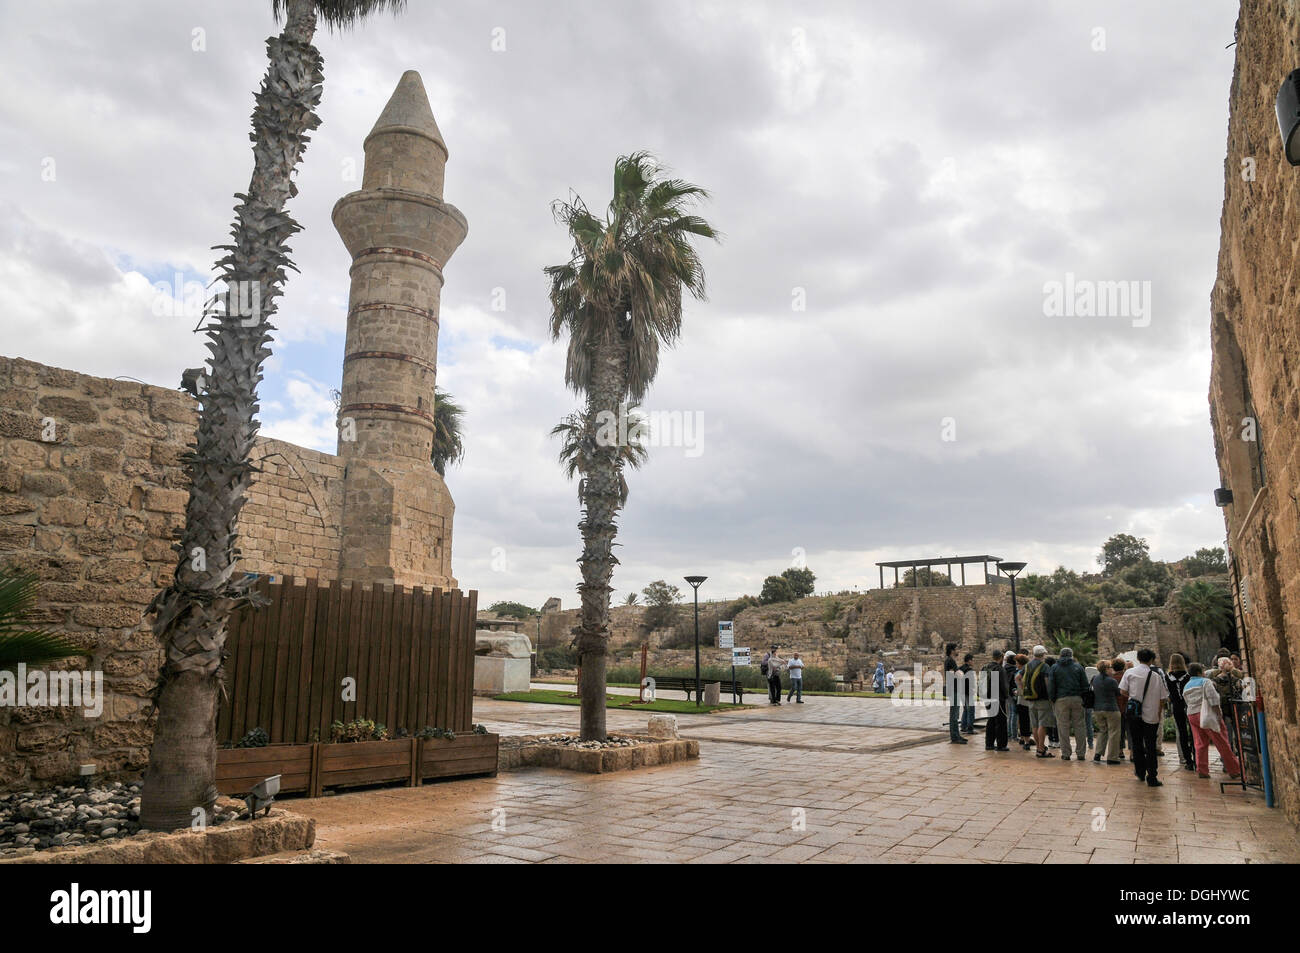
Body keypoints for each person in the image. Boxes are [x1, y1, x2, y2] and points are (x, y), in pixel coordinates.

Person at [1182, 662, 1242, 781]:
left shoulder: (1187, 685)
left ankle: (1202, 769)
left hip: (1192, 714)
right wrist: (1218, 714)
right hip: (1207, 714)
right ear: (1200, 672)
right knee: (1222, 742)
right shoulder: (1205, 682)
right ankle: (1234, 770)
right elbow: (1213, 699)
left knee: (1200, 743)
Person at [1119, 648, 1168, 787]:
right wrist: (1158, 712)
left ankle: (1140, 771)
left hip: (1134, 713)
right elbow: (1163, 698)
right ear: (1151, 660)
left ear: (1139, 658)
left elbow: (1122, 690)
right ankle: (1152, 776)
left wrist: (1134, 697)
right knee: (1151, 746)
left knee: (1137, 743)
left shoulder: (1129, 672)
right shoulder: (1156, 676)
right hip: (1151, 715)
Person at [1048, 646, 1089, 760]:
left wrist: (1052, 698)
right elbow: (1085, 684)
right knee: (1080, 726)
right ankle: (1081, 753)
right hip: (1077, 698)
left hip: (1061, 699)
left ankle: (1066, 753)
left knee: (1063, 727)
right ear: (1071, 655)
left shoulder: (1054, 668)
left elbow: (1051, 685)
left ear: (1060, 655)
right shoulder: (1078, 667)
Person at [1164, 653, 1197, 772]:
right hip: (1189, 705)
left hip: (1176, 706)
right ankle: (1197, 757)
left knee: (1182, 733)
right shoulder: (1188, 676)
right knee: (1194, 732)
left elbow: (1166, 693)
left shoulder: (1167, 677)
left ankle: (1188, 760)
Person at [1022, 645, 1054, 758]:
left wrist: (1022, 691)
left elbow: (1018, 678)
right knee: (1042, 724)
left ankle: (1039, 748)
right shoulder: (1044, 666)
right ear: (1043, 654)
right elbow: (1047, 682)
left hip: (1030, 699)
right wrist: (1051, 697)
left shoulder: (1027, 665)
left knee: (1034, 725)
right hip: (1042, 699)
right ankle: (1041, 749)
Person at [1091, 660, 1123, 764]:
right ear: (1106, 669)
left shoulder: (1094, 679)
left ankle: (1098, 754)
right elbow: (1118, 693)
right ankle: (1112, 757)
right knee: (1114, 733)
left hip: (1098, 709)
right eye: (1110, 667)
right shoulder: (1112, 681)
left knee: (1102, 731)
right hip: (1111, 708)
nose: (1112, 669)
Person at [982, 650, 1010, 751]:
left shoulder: (985, 667)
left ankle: (989, 744)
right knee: (1001, 722)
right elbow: (1004, 685)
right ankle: (1001, 745)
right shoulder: (999, 669)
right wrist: (1006, 696)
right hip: (998, 698)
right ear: (1001, 657)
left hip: (987, 697)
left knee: (991, 720)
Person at [943, 643, 966, 744]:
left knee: (955, 713)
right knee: (954, 714)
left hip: (954, 688)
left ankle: (956, 735)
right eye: (956, 649)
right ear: (952, 650)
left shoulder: (950, 660)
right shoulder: (950, 661)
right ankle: (955, 737)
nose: (958, 651)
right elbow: (956, 674)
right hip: (954, 689)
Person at [1013, 653, 1033, 748]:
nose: (1016, 664)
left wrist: (1021, 690)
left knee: (1024, 719)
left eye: (1017, 662)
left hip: (1023, 699)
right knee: (1024, 719)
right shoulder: (1025, 670)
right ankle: (1024, 738)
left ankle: (1026, 740)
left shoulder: (1023, 671)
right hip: (1024, 698)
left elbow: (1018, 679)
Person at [1111, 658, 1129, 760]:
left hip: (1116, 707)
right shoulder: (1128, 677)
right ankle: (1132, 752)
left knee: (1118, 730)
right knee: (1130, 731)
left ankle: (1120, 751)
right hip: (1128, 706)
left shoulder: (1112, 678)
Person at [959, 653, 976, 734]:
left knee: (965, 709)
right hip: (968, 692)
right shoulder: (969, 670)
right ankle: (970, 728)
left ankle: (963, 726)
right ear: (969, 661)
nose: (973, 662)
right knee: (971, 710)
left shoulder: (960, 669)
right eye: (973, 660)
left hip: (961, 692)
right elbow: (971, 683)